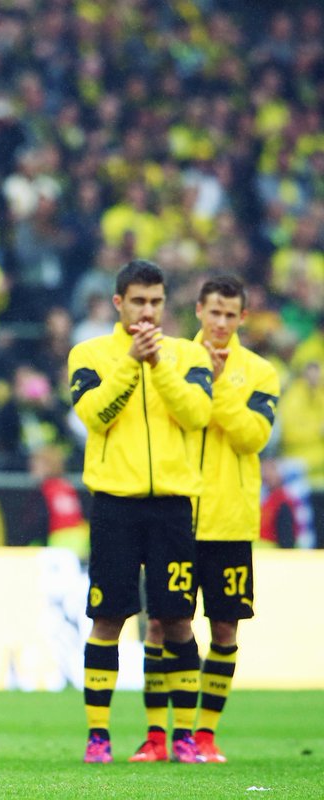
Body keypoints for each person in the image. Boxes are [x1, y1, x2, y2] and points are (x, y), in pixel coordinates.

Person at [67, 260, 213, 765]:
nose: (148, 312)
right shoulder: (89, 354)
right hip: (115, 503)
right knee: (107, 618)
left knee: (177, 619)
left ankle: (183, 736)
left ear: (165, 303)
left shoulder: (189, 355)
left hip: (172, 504)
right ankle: (98, 736)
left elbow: (197, 415)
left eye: (155, 302)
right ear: (118, 303)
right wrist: (132, 362)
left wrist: (159, 365)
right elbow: (94, 416)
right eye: (138, 302)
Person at [185, 276, 278, 762]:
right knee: (165, 626)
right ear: (199, 311)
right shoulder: (175, 360)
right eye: (214, 312)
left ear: (243, 317)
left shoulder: (260, 372)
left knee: (224, 631)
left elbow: (252, 436)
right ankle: (168, 735)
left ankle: (206, 735)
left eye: (230, 314)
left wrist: (216, 386)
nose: (221, 322)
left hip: (230, 523)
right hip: (177, 518)